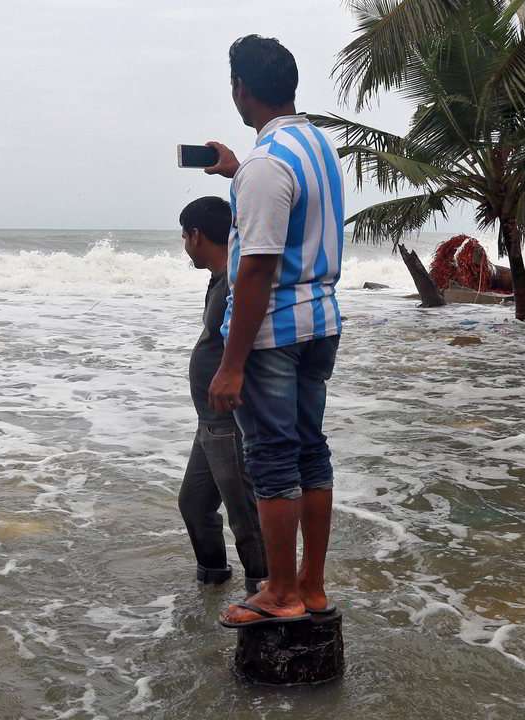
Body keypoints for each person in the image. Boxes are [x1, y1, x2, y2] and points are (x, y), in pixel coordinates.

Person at [203, 35, 345, 627]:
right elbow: (292, 211)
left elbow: (257, 267)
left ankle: (280, 592)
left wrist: (231, 363)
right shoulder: (313, 145)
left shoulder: (267, 164)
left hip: (274, 335)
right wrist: (237, 172)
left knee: (273, 460)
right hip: (321, 325)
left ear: (241, 88)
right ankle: (309, 586)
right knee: (311, 452)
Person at [177, 196, 268, 595]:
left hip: (227, 417)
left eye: (184, 235)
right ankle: (212, 581)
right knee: (195, 504)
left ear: (196, 235)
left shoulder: (236, 277)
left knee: (244, 512)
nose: (184, 244)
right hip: (209, 420)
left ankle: (264, 589)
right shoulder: (223, 276)